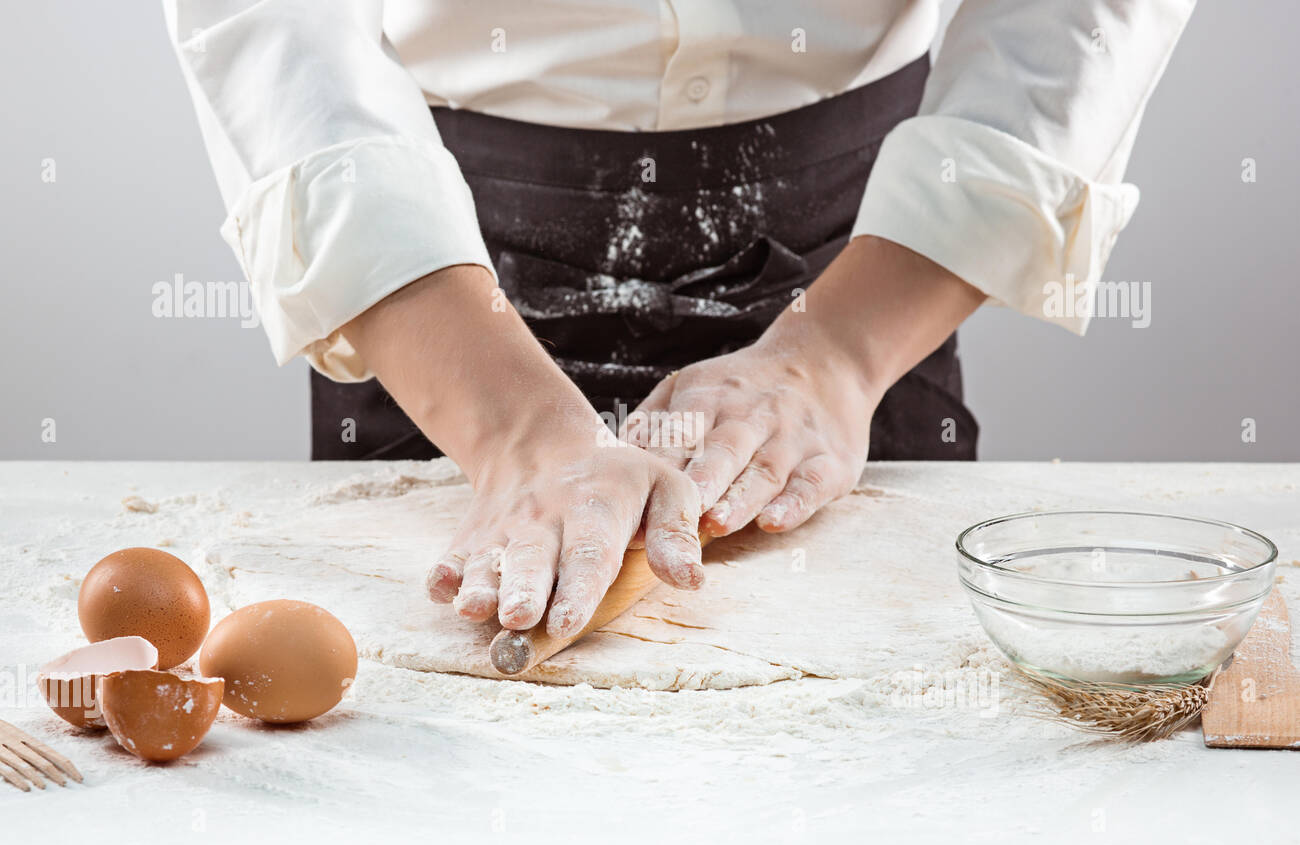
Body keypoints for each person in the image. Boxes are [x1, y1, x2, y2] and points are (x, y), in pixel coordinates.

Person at [165, 0, 1194, 642]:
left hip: (865, 253)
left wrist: (836, 353)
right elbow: (274, 22)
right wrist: (511, 425)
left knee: (885, 718)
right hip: (426, 270)